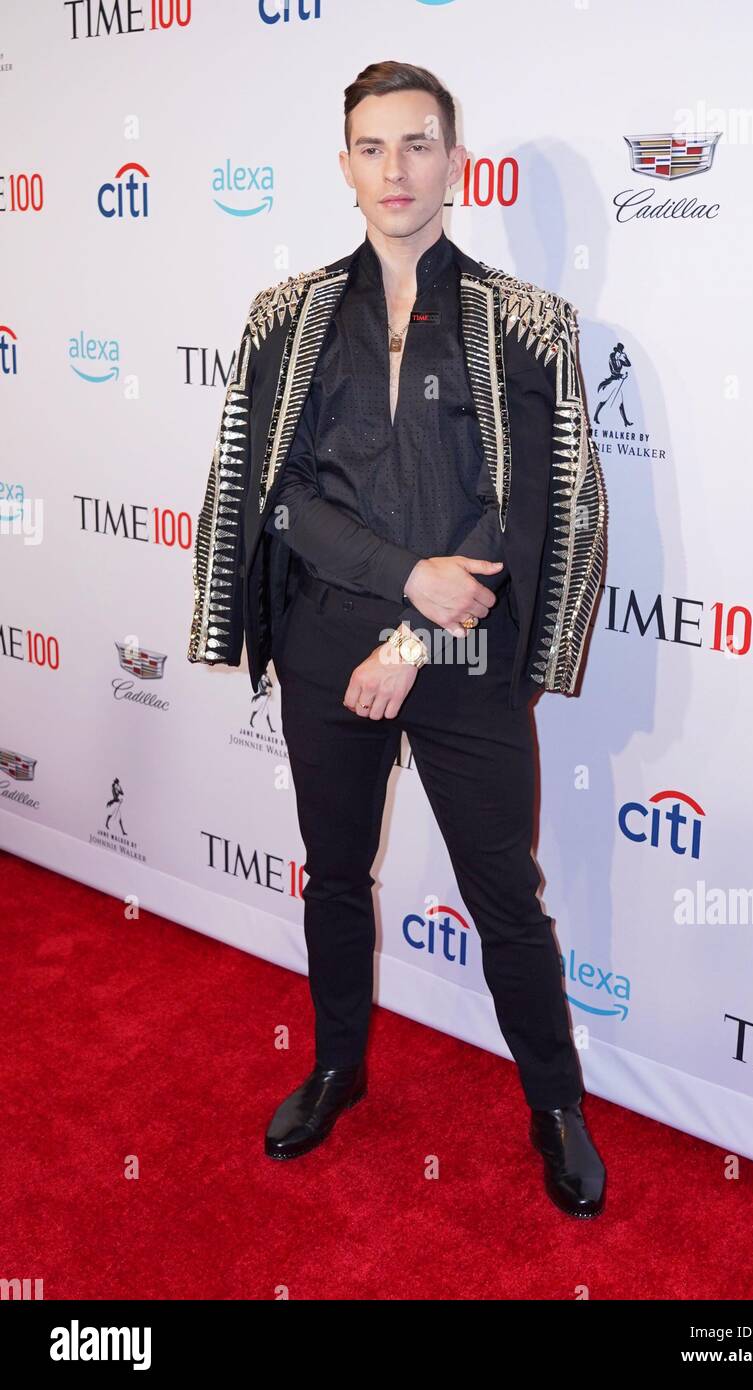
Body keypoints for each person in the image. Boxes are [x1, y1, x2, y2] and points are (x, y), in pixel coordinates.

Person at [187, 61, 607, 1219]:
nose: (394, 170)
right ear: (343, 167)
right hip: (327, 649)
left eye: (416, 145)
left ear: (454, 164)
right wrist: (395, 584)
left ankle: (555, 1104)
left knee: (504, 894)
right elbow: (282, 500)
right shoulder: (287, 319)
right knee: (333, 877)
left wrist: (415, 632)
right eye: (371, 148)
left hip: (460, 661)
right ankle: (335, 1065)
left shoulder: (525, 324)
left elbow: (517, 512)